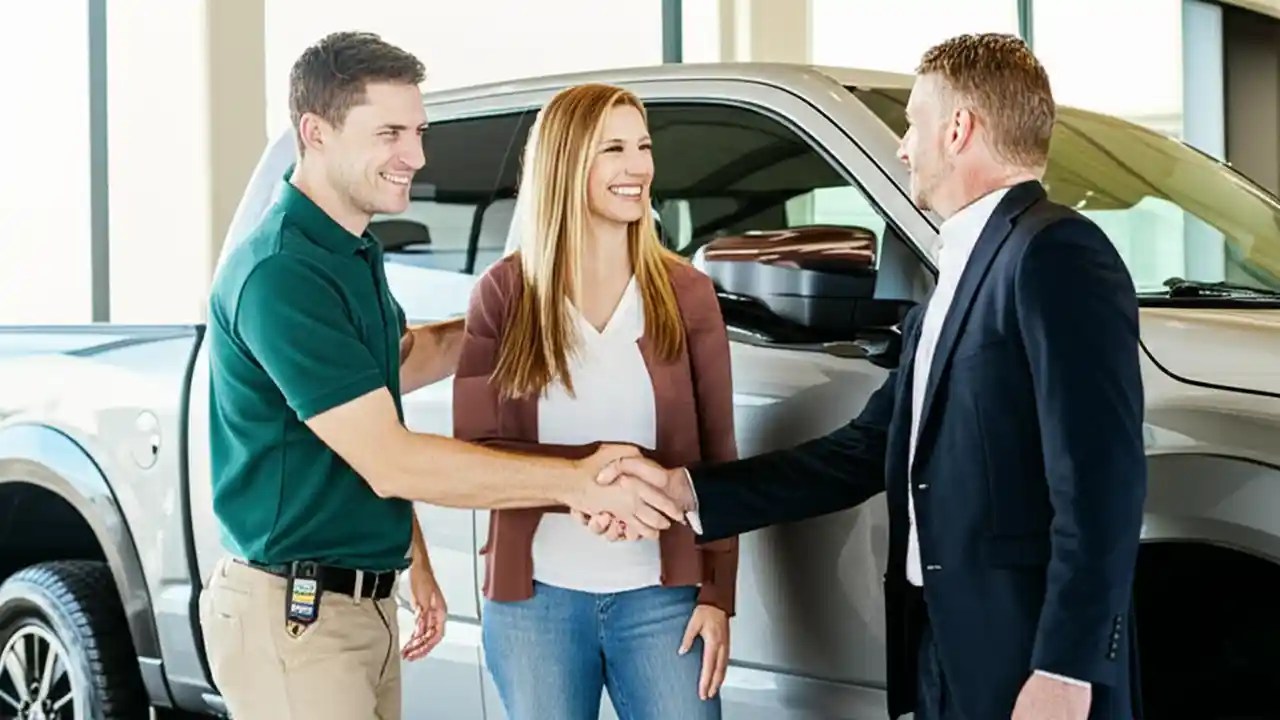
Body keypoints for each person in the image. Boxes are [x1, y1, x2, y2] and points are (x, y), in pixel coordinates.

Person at [589, 33, 1147, 720]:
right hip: (948, 650)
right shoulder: (961, 273)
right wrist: (688, 491)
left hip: (1027, 657)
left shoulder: (1055, 251)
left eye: (912, 124)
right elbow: (860, 453)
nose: (904, 148)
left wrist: (1066, 666)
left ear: (958, 130)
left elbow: (1101, 482)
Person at [198, 33, 685, 720]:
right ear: (315, 132)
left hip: (353, 606)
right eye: (390, 134)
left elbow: (398, 369)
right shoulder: (283, 273)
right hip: (296, 619)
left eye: (418, 132)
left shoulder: (348, 252)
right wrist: (576, 480)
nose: (417, 156)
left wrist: (527, 309)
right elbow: (390, 460)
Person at [451, 82, 738, 720]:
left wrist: (718, 593)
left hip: (664, 600)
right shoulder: (504, 294)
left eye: (643, 146)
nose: (638, 166)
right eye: (614, 149)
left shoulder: (687, 293)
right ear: (564, 163)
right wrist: (587, 488)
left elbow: (720, 454)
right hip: (535, 605)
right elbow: (473, 454)